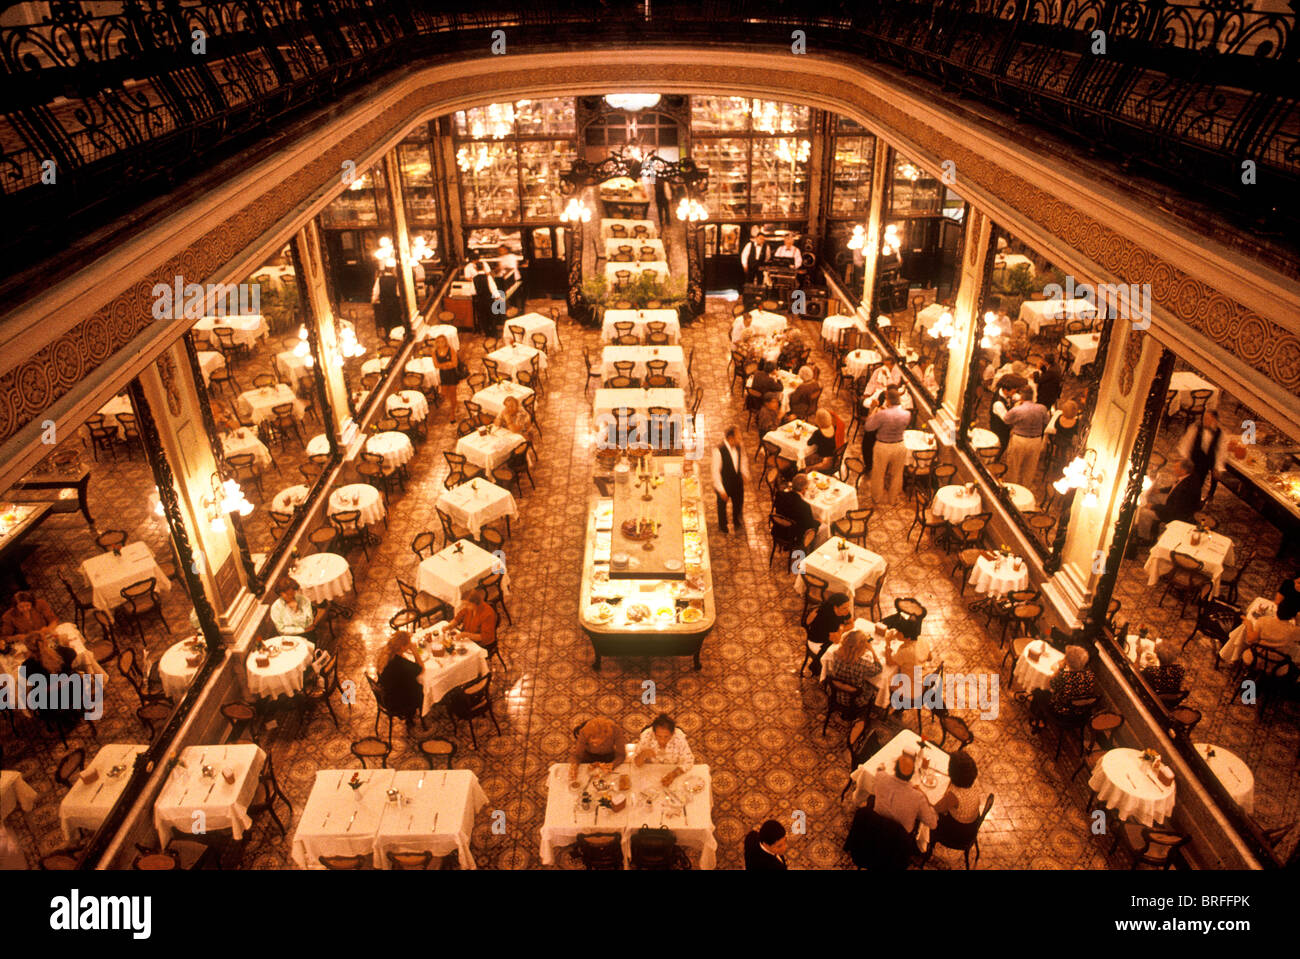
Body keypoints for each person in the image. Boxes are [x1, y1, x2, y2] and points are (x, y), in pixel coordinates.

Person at [1031, 645, 1096, 731]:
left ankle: (1037, 718)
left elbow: (1050, 684)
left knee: (1039, 691)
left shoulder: (1064, 676)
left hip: (1062, 713)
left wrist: (1058, 670)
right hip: (1081, 713)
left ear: (1067, 661)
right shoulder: (1090, 676)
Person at [872, 752, 938, 834]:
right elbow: (933, 824)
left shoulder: (880, 776)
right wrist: (926, 798)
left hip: (875, 827)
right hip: (899, 838)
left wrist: (881, 768)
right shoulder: (918, 797)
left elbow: (879, 770)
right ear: (912, 775)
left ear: (894, 768)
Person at [865, 388, 911, 507]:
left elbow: (868, 427)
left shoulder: (882, 414)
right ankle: (893, 499)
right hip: (900, 445)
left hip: (883, 446)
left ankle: (877, 497)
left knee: (878, 473)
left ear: (888, 400)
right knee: (897, 474)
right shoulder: (907, 414)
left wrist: (873, 411)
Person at [1136, 459, 1201, 540]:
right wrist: (1159, 490)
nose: (1173, 469)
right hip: (1175, 504)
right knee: (1151, 497)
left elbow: (1172, 510)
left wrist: (1153, 506)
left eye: (1176, 467)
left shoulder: (1184, 489)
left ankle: (1144, 538)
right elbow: (1174, 486)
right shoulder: (1190, 476)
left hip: (1176, 515)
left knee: (1144, 512)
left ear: (1183, 471)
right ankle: (1152, 525)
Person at [861, 356, 907, 470]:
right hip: (881, 424)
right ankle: (869, 462)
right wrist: (871, 399)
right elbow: (872, 383)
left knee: (869, 436)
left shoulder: (899, 404)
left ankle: (874, 463)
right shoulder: (882, 394)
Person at [377, 631, 425, 732]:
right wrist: (415, 652)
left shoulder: (387, 654)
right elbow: (421, 669)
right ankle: (413, 715)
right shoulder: (401, 664)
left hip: (386, 695)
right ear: (402, 647)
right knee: (423, 688)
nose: (410, 644)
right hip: (397, 702)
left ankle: (410, 716)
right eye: (408, 643)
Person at [1002, 391, 1050, 486]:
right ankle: (1025, 487)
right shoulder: (1042, 408)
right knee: (1030, 468)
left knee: (1013, 467)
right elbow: (1046, 422)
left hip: (1019, 439)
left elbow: (1006, 420)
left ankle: (1011, 487)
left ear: (1021, 398)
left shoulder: (1017, 410)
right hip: (1035, 440)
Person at [633, 713, 695, 787]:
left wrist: (673, 774)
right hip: (651, 774)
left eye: (666, 737)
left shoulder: (679, 738)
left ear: (672, 734)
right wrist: (643, 754)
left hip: (673, 771)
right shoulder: (647, 737)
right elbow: (636, 763)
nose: (662, 741)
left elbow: (689, 761)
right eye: (659, 736)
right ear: (654, 733)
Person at [1178, 408, 1227, 501]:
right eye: (1204, 418)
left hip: (1207, 461)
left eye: (1208, 419)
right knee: (1188, 479)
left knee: (1201, 480)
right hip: (1194, 458)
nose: (1204, 420)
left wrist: (1217, 467)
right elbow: (1187, 442)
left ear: (1215, 421)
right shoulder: (1196, 427)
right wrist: (1185, 458)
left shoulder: (1220, 434)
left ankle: (1204, 496)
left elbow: (1221, 451)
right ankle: (1183, 496)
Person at [711, 425, 749, 534]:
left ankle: (737, 521)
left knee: (738, 503)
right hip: (725, 483)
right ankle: (723, 525)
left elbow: (743, 460)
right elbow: (715, 472)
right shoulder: (718, 451)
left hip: (737, 482)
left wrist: (744, 473)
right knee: (722, 507)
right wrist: (721, 490)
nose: (740, 440)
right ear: (731, 438)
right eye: (738, 437)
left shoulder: (739, 446)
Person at [827, 629, 882, 705]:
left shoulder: (835, 653)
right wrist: (872, 650)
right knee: (872, 685)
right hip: (853, 700)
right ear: (861, 648)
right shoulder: (863, 664)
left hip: (834, 693)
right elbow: (879, 669)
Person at [933, 751, 983, 827]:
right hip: (973, 818)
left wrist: (922, 794)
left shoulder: (954, 795)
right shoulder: (972, 780)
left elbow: (937, 808)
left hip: (959, 828)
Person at [806, 593, 853, 665]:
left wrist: (841, 628)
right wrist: (841, 629)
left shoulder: (844, 611)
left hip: (833, 635)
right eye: (844, 608)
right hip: (817, 639)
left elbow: (851, 624)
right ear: (835, 607)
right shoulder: (827, 617)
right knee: (847, 652)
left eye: (848, 607)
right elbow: (836, 640)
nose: (848, 610)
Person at [774, 473, 819, 542]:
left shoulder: (779, 495)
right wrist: (818, 522)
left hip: (779, 529)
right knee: (824, 528)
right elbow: (809, 526)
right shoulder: (804, 506)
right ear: (804, 489)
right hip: (794, 536)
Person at [1045, 399, 1081, 472]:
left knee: (1058, 447)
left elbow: (1055, 426)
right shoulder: (1076, 422)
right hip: (1067, 443)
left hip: (1056, 440)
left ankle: (1055, 460)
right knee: (1065, 450)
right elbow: (1076, 433)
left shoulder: (1060, 417)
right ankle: (1061, 466)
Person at [431, 333, 462, 413]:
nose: (441, 343)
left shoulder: (451, 350)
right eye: (439, 342)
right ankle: (454, 403)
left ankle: (453, 409)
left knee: (453, 392)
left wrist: (444, 365)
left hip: (452, 374)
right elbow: (436, 365)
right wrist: (447, 364)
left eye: (442, 341)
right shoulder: (434, 352)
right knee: (444, 393)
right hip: (443, 374)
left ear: (445, 342)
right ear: (436, 343)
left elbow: (455, 364)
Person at [371, 265, 403, 339]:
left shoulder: (379, 279)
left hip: (384, 304)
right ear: (392, 270)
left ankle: (387, 336)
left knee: (386, 321)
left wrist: (374, 301)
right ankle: (395, 338)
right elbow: (398, 293)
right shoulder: (396, 279)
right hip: (394, 304)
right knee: (395, 322)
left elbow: (376, 292)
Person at [470, 259, 501, 335]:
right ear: (483, 268)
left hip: (480, 300)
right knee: (491, 316)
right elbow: (493, 288)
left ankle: (487, 332)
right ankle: (494, 332)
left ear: (476, 269)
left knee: (483, 316)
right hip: (488, 299)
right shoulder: (488, 277)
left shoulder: (474, 279)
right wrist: (498, 296)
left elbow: (473, 292)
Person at [805, 409, 838, 474]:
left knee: (805, 458)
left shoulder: (818, 433)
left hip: (822, 460)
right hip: (833, 458)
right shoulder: (834, 427)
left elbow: (809, 443)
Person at [494, 244, 524, 311]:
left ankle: (517, 310)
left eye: (502, 250)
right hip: (505, 279)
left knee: (513, 296)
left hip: (513, 278)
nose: (500, 252)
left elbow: (511, 268)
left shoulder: (511, 257)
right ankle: (510, 310)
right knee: (508, 296)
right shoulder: (501, 258)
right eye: (499, 250)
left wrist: (501, 271)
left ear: (506, 250)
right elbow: (500, 268)